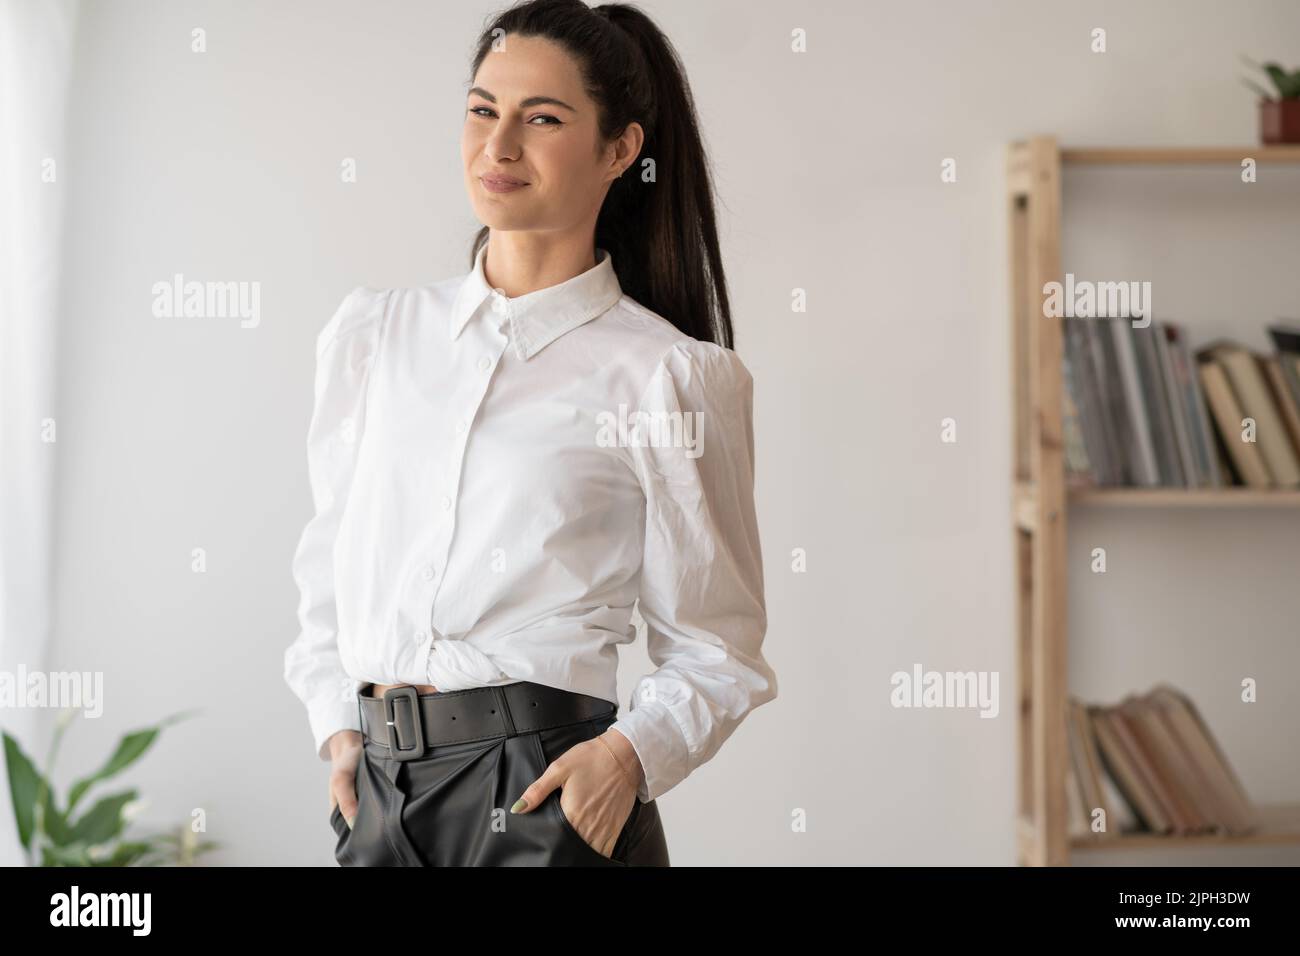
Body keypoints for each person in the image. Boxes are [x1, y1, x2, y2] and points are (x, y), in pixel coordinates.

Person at [284, 0, 777, 866]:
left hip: (545, 789)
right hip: (380, 790)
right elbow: (330, 559)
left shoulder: (663, 376)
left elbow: (719, 648)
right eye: (482, 110)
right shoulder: (377, 337)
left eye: (541, 119)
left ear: (621, 150)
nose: (498, 146)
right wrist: (337, 728)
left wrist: (627, 760)